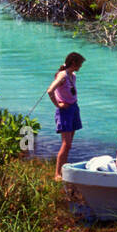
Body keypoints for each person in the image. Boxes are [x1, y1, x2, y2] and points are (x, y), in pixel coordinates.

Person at [50, 52, 85, 181]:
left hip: (74, 108)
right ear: (74, 63)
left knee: (69, 144)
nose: (80, 66)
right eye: (80, 64)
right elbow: (50, 90)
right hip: (64, 111)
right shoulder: (62, 75)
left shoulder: (73, 75)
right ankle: (57, 174)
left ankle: (64, 168)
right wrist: (58, 105)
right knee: (66, 144)